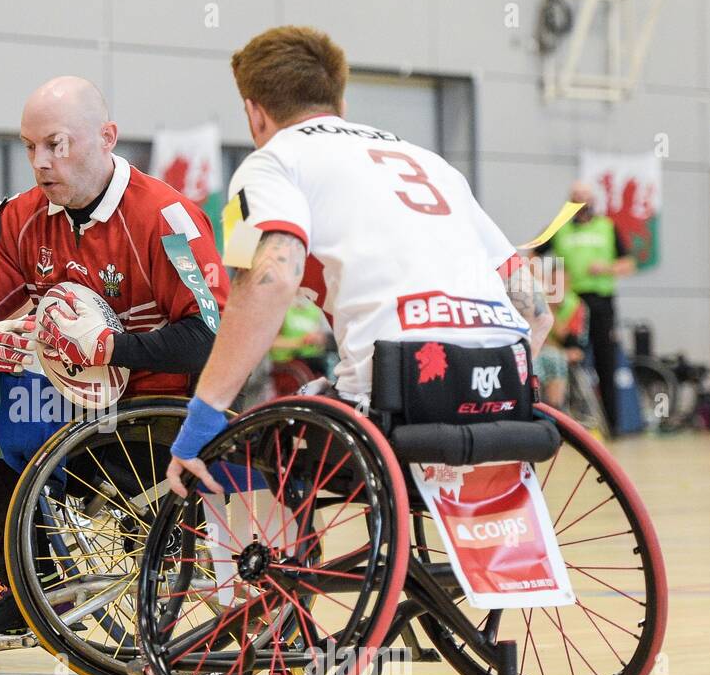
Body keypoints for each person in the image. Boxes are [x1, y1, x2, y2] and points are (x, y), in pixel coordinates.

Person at [166, 26, 553, 496]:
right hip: (502, 392)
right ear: (341, 102)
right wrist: (487, 380)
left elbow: (273, 277)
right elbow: (536, 310)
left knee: (238, 450)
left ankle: (288, 568)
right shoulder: (431, 163)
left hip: (395, 397)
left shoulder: (275, 160)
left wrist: (205, 413)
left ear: (254, 113)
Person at [0, 76, 229, 635]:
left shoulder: (168, 220)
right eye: (29, 146)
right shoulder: (16, 218)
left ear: (107, 138)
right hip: (68, 412)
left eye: (56, 144)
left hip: (152, 424)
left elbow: (213, 337)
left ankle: (44, 578)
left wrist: (111, 346)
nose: (40, 162)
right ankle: (29, 580)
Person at [534, 180, 635, 430]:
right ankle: (562, 422)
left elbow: (629, 264)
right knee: (562, 355)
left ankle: (612, 425)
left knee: (605, 361)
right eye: (576, 198)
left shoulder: (607, 227)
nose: (581, 203)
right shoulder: (560, 228)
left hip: (599, 302)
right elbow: (533, 254)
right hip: (568, 302)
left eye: (585, 198)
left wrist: (606, 268)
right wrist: (546, 280)